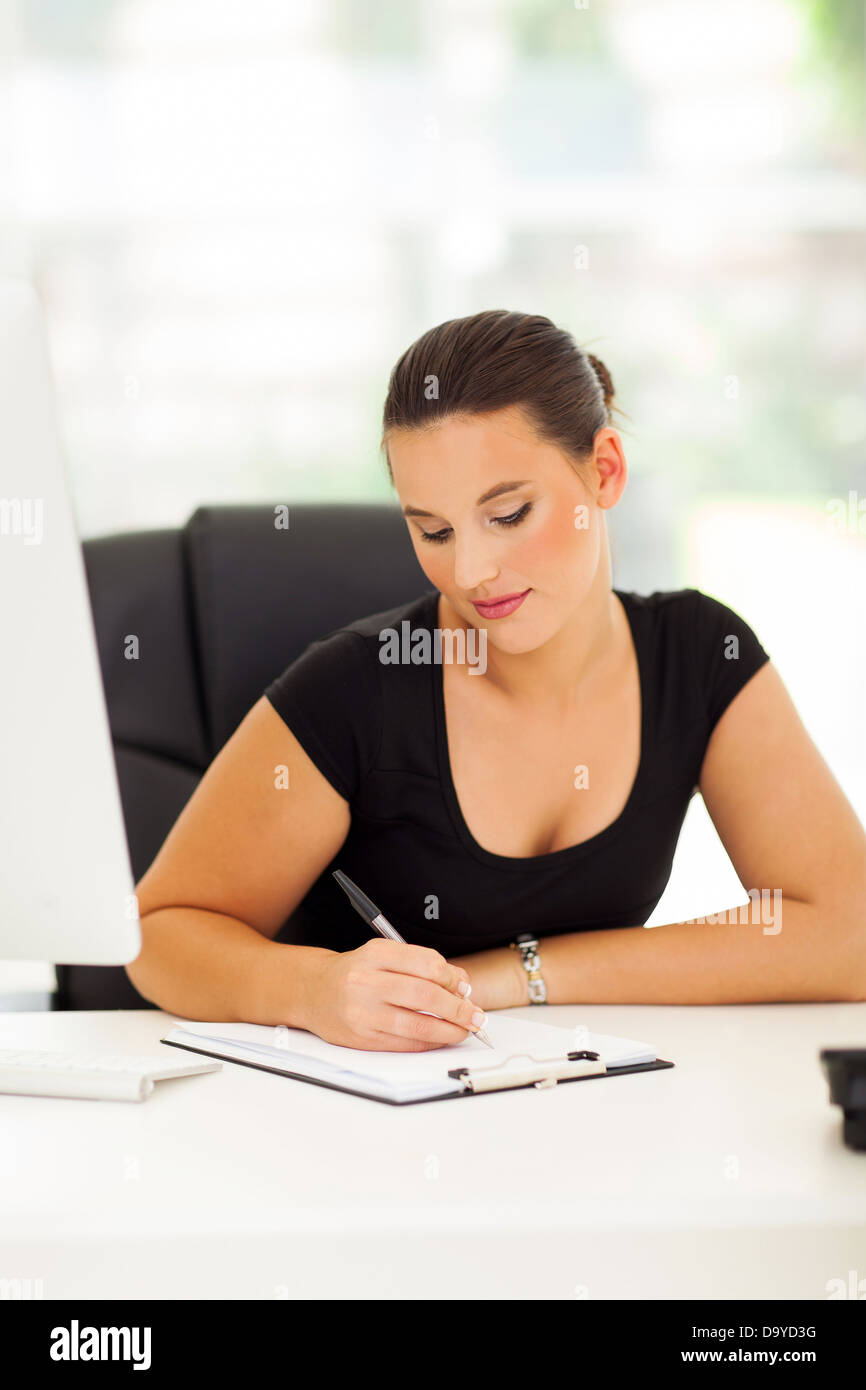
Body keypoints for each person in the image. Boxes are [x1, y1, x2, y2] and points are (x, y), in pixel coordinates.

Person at [128, 310, 866, 1050]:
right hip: (362, 1126)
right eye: (434, 532)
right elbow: (158, 934)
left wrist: (514, 975)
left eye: (508, 515)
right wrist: (315, 990)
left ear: (603, 470)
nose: (471, 573)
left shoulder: (702, 656)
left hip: (578, 1109)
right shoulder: (357, 688)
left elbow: (848, 932)